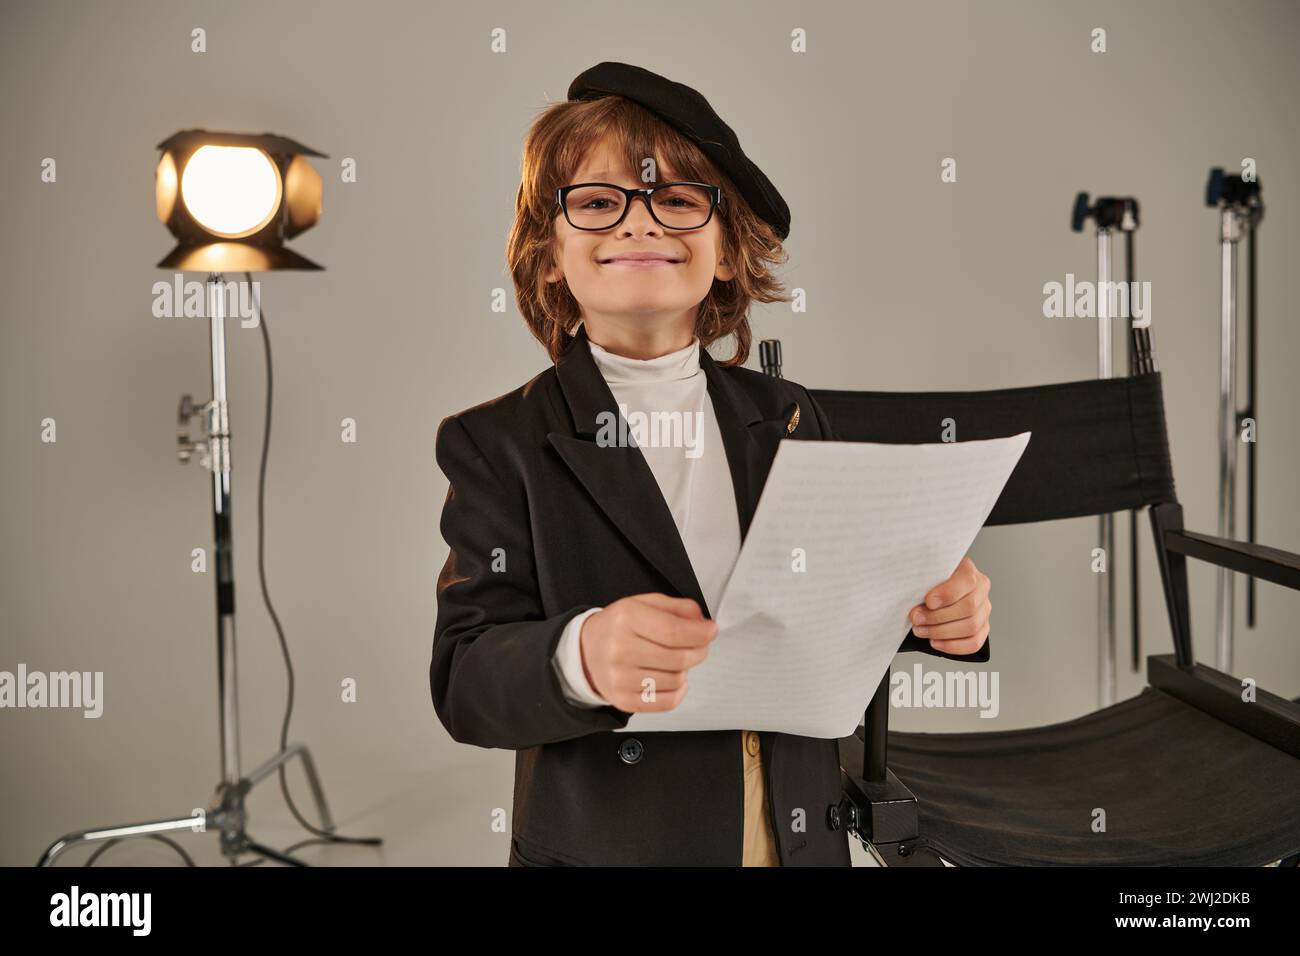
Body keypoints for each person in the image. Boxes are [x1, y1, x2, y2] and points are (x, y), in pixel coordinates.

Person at [431, 62, 992, 866]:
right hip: (620, 844)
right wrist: (581, 654)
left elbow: (829, 615)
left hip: (801, 836)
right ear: (548, 253)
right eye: (596, 202)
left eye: (679, 200)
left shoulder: (792, 414)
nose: (639, 223)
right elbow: (466, 680)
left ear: (726, 250)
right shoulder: (498, 443)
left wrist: (940, 608)